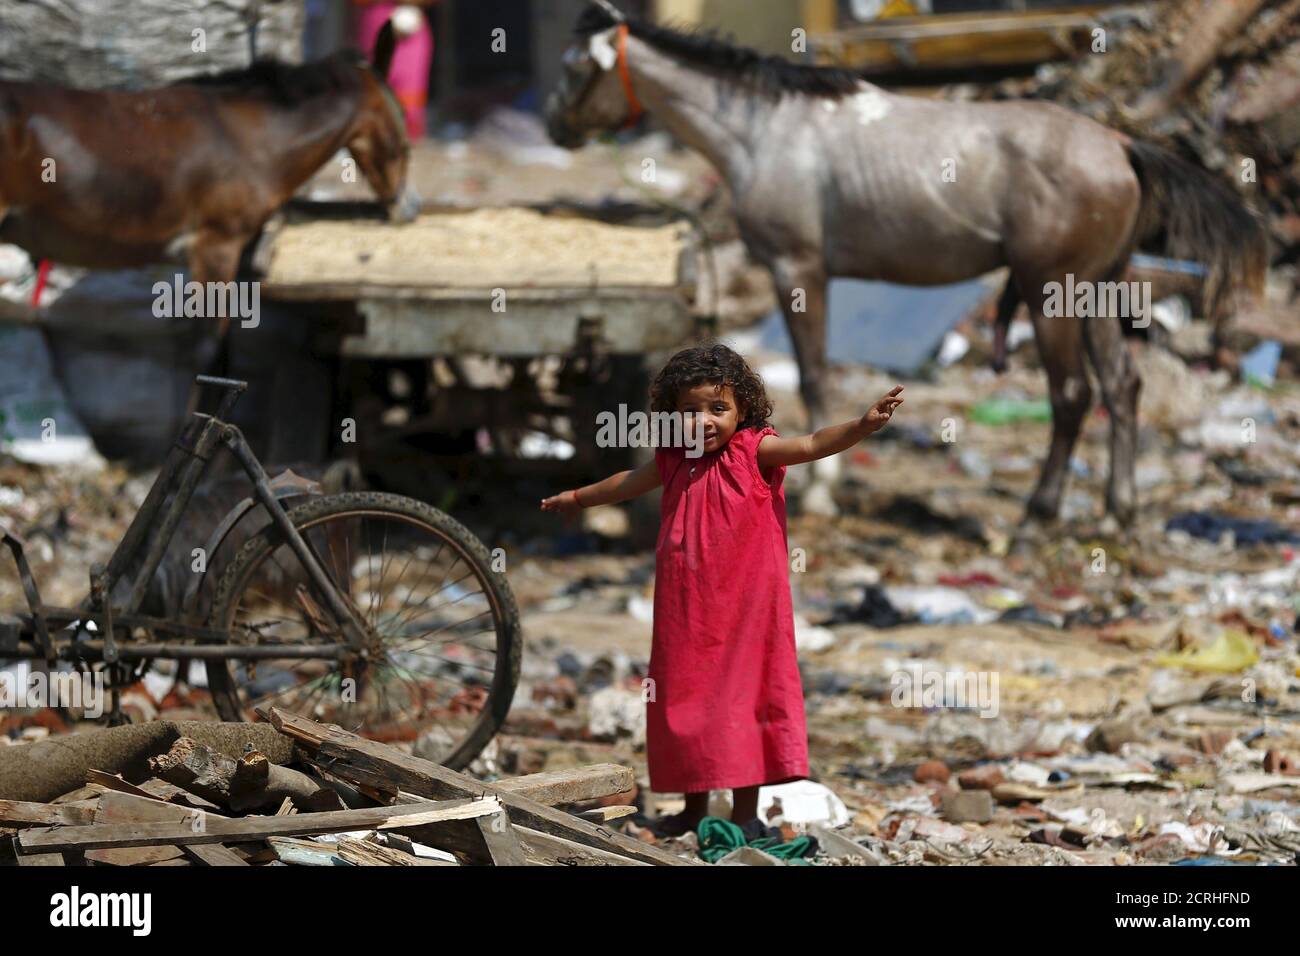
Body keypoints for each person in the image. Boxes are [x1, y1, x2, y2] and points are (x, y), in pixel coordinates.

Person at [541, 342, 904, 836]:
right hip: (684, 607)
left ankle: (745, 814)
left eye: (718, 408)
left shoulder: (755, 451)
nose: (704, 422)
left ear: (743, 410)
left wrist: (862, 426)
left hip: (747, 608)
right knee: (684, 700)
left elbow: (813, 443)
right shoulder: (672, 460)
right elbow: (627, 483)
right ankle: (691, 809)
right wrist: (577, 498)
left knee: (743, 700)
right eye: (690, 411)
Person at [352, 1, 439, 139]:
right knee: (374, 95)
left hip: (410, 33)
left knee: (408, 105)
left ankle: (406, 143)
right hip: (374, 29)